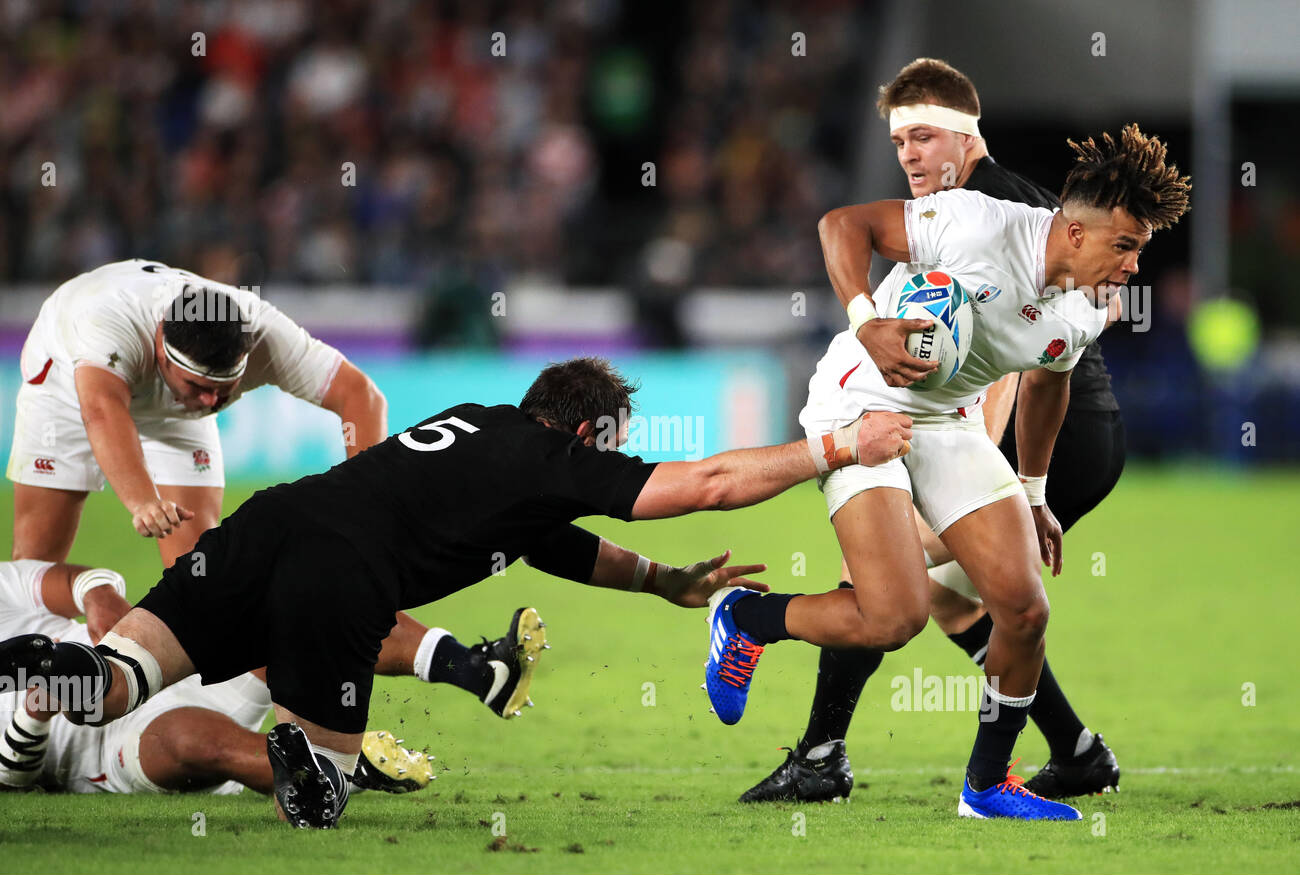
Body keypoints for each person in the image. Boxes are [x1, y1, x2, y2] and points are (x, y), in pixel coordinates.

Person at [0, 357, 914, 828]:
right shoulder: (553, 457)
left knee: (122, 674)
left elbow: (551, 542)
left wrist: (662, 584)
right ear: (591, 431)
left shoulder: (478, 424)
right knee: (321, 797)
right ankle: (299, 757)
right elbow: (706, 484)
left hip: (266, 524)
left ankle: (51, 677)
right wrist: (834, 448)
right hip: (342, 577)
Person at [701, 124, 1189, 820]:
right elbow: (843, 225)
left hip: (948, 423)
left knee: (1023, 609)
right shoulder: (973, 222)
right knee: (894, 615)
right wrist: (868, 320)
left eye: (1140, 249)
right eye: (1126, 246)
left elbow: (1050, 380)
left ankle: (986, 788)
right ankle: (748, 618)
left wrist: (1034, 494)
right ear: (1075, 235)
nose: (1134, 268)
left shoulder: (1086, 307)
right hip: (862, 402)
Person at [7, 259, 387, 568]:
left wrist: (361, 498)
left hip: (174, 415)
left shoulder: (263, 333)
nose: (211, 403)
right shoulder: (109, 324)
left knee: (197, 576)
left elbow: (360, 395)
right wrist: (142, 500)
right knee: (35, 567)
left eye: (224, 388)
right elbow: (102, 410)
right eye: (200, 387)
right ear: (160, 351)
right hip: (66, 387)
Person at [0, 559, 431, 795]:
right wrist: (33, 715)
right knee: (186, 742)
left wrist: (99, 597)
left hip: (136, 659)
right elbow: (13, 781)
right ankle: (340, 769)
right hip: (102, 747)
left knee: (281, 611)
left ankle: (464, 664)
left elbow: (77, 580)